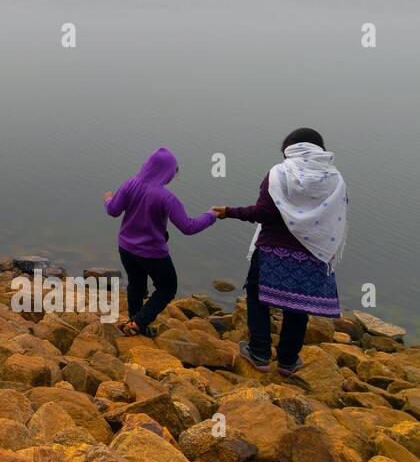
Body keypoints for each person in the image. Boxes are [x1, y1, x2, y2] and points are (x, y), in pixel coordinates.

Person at [212, 127, 346, 376]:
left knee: (257, 296)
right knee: (298, 306)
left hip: (273, 250)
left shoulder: (280, 173)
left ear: (289, 148)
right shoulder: (335, 179)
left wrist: (230, 211)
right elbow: (336, 218)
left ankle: (259, 353)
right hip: (314, 253)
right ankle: (287, 360)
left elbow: (264, 213)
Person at [104, 147, 217, 336]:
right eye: (173, 173)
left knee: (136, 285)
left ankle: (133, 323)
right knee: (167, 288)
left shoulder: (129, 184)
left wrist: (108, 199)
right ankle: (138, 322)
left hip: (126, 248)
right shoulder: (166, 198)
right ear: (168, 173)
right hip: (152, 253)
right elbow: (188, 227)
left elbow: (113, 210)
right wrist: (210, 215)